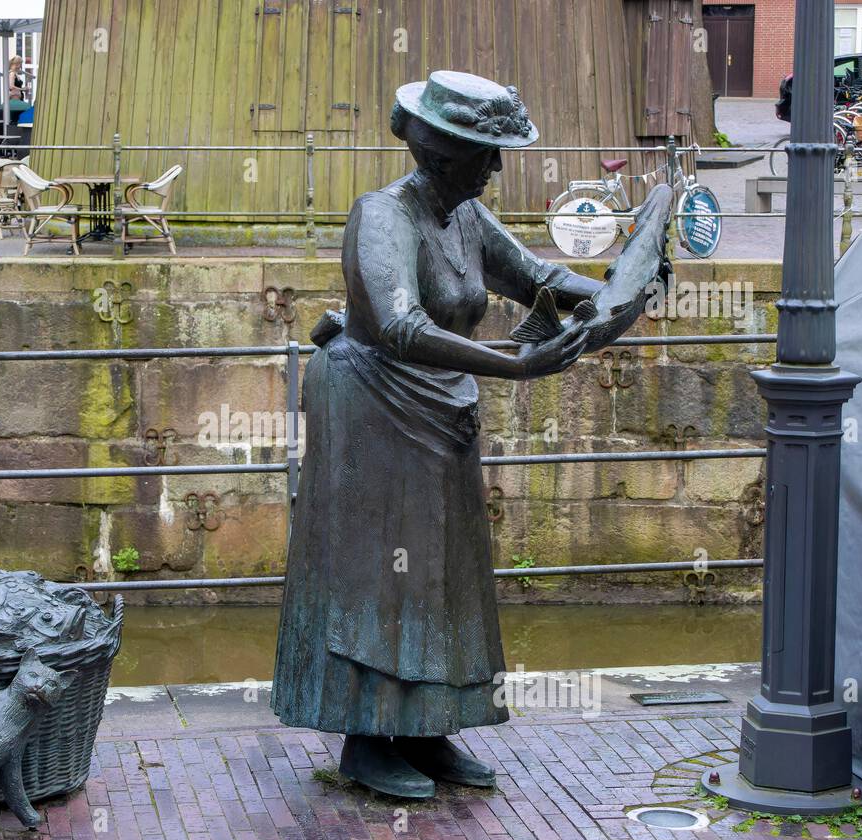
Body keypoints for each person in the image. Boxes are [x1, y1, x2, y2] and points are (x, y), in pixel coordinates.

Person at [271, 72, 669, 799]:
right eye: (488, 152)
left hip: (438, 412)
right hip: (372, 410)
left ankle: (427, 726)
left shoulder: (465, 217)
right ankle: (366, 737)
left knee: (442, 571)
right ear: (445, 150)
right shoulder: (384, 214)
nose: (498, 167)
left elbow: (535, 275)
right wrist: (510, 365)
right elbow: (398, 324)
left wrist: (618, 289)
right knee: (379, 574)